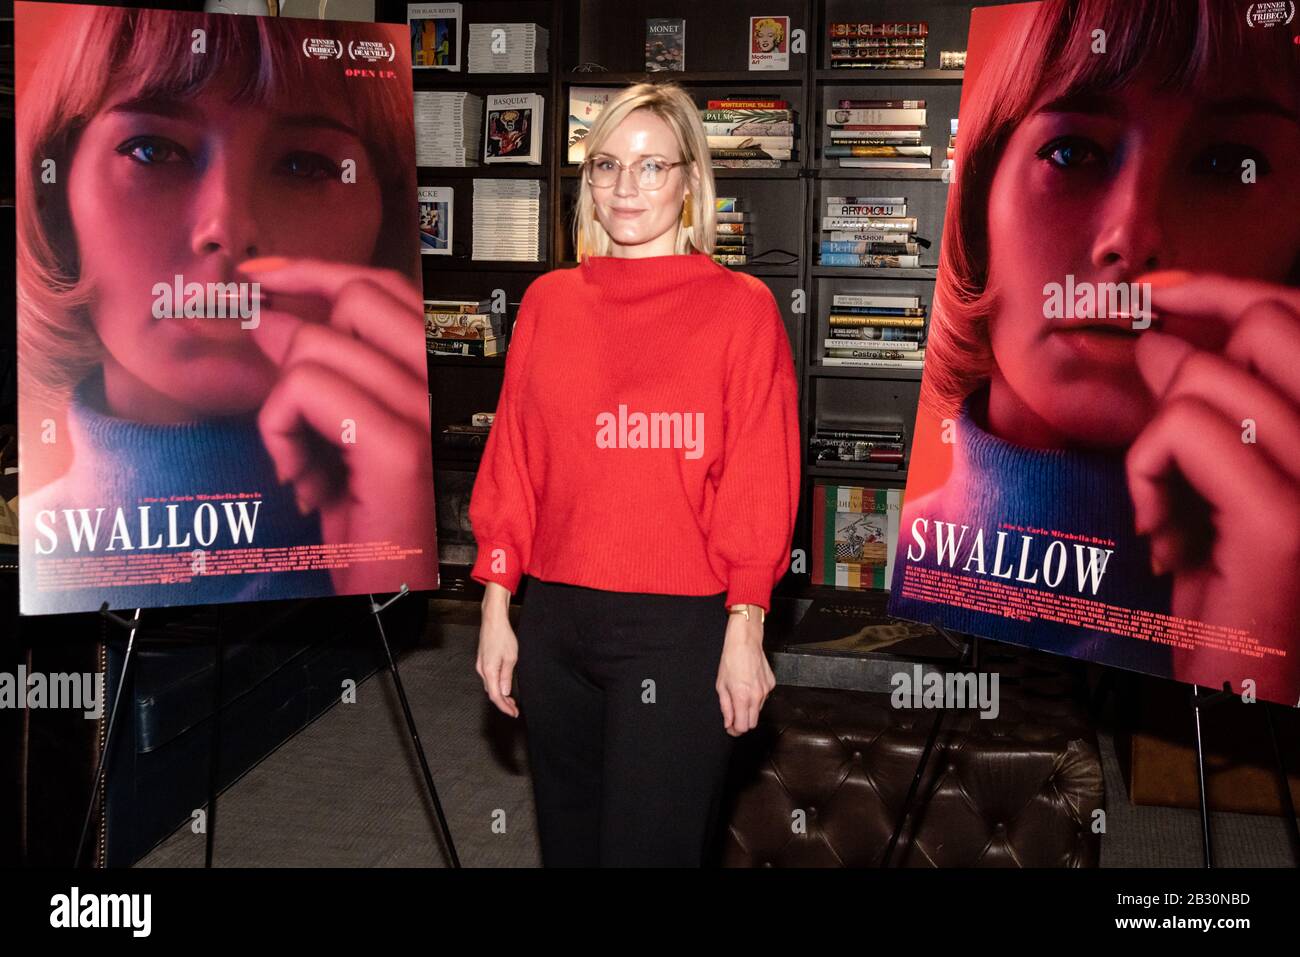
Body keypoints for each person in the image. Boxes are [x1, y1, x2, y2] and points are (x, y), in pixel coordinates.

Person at [890, 0, 1300, 703]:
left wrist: (1247, 667)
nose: (1132, 234)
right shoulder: (905, 567)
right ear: (980, 205)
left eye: (1226, 161)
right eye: (1073, 152)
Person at [469, 81, 801, 866]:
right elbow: (516, 458)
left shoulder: (741, 308)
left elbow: (759, 476)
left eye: (652, 167)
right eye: (608, 164)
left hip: (679, 636)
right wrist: (494, 602)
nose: (626, 186)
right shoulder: (549, 301)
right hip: (553, 628)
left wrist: (747, 627)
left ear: (690, 181)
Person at [17, 7, 438, 613]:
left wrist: (391, 567)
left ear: (387, 217)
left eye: (304, 165)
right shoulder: (33, 562)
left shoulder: (401, 537)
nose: (228, 229)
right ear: (56, 200)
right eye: (153, 149)